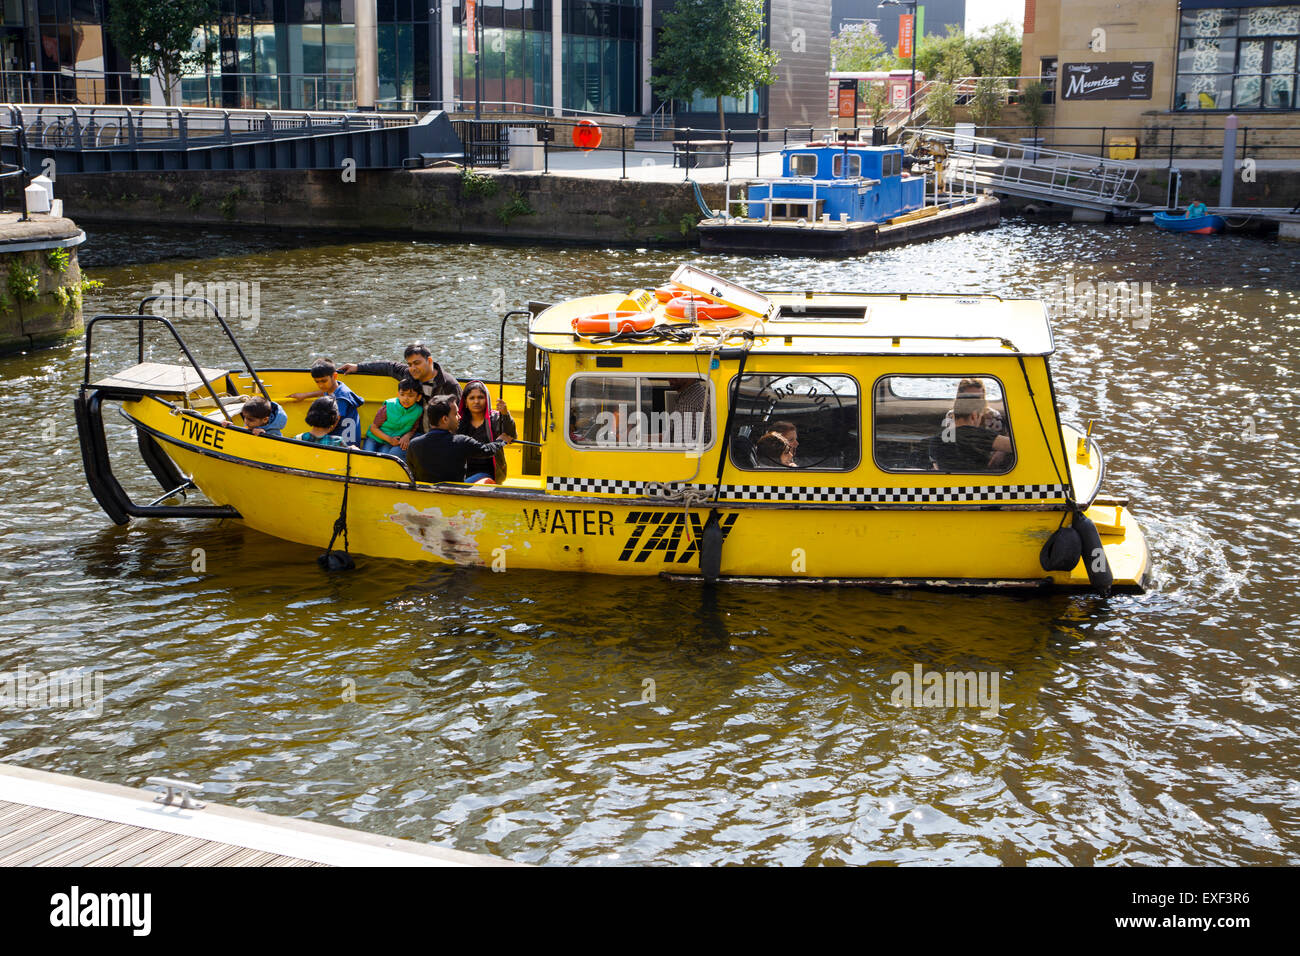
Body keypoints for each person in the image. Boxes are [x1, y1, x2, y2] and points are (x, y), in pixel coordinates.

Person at [338, 343, 460, 432]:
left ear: (429, 360)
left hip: (441, 437)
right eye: (410, 364)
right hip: (414, 434)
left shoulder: (449, 384)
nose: (413, 368)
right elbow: (388, 367)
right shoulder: (409, 375)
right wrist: (358, 367)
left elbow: (458, 419)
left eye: (417, 363)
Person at [407, 398, 506, 483]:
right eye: (455, 414)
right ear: (445, 419)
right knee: (483, 475)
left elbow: (412, 473)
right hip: (455, 494)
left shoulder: (414, 444)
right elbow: (487, 450)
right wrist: (501, 440)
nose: (459, 417)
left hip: (426, 495)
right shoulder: (461, 442)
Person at [287, 359, 363, 445]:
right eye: (317, 382)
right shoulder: (335, 387)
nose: (320, 385)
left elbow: (332, 425)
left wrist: (312, 437)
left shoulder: (341, 398)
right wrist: (305, 395)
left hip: (346, 442)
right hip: (338, 436)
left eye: (324, 381)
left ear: (334, 376)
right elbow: (324, 392)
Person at [933, 393, 1012, 471]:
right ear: (974, 416)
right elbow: (1016, 445)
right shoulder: (978, 435)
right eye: (980, 416)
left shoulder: (936, 440)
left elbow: (936, 466)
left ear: (953, 414)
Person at [458, 380, 516, 481]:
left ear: (487, 400)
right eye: (472, 398)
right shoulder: (459, 421)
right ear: (465, 402)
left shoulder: (496, 418)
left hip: (489, 473)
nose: (476, 401)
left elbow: (511, 435)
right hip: (463, 471)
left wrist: (505, 414)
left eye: (480, 397)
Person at [362, 377, 423, 461]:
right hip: (375, 438)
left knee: (384, 459)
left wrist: (407, 436)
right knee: (367, 456)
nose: (406, 398)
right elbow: (373, 428)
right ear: (398, 394)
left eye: (410, 395)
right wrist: (390, 440)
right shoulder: (388, 406)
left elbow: (413, 428)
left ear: (418, 397)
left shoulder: (418, 411)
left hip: (391, 442)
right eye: (402, 394)